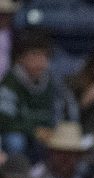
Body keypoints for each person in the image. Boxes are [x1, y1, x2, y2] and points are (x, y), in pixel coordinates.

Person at [0, 28, 78, 162]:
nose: (40, 61)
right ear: (21, 58)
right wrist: (34, 131)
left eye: (44, 56)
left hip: (46, 134)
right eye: (34, 55)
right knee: (16, 141)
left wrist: (52, 131)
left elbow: (60, 113)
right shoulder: (10, 82)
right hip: (19, 135)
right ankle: (16, 171)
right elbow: (5, 121)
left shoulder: (52, 82)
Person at [0, 0, 17, 81]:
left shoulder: (16, 34)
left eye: (5, 14)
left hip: (8, 80)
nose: (2, 18)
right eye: (0, 14)